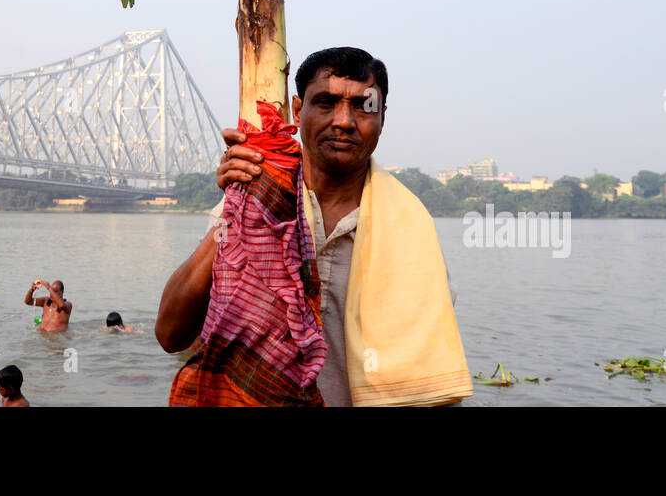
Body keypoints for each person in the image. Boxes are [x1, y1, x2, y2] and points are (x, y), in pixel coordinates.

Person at [156, 47, 470, 407]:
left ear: (382, 117)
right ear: (296, 109)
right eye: (325, 102)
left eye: (364, 106)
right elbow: (170, 334)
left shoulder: (412, 233)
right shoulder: (257, 205)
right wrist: (239, 204)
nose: (344, 121)